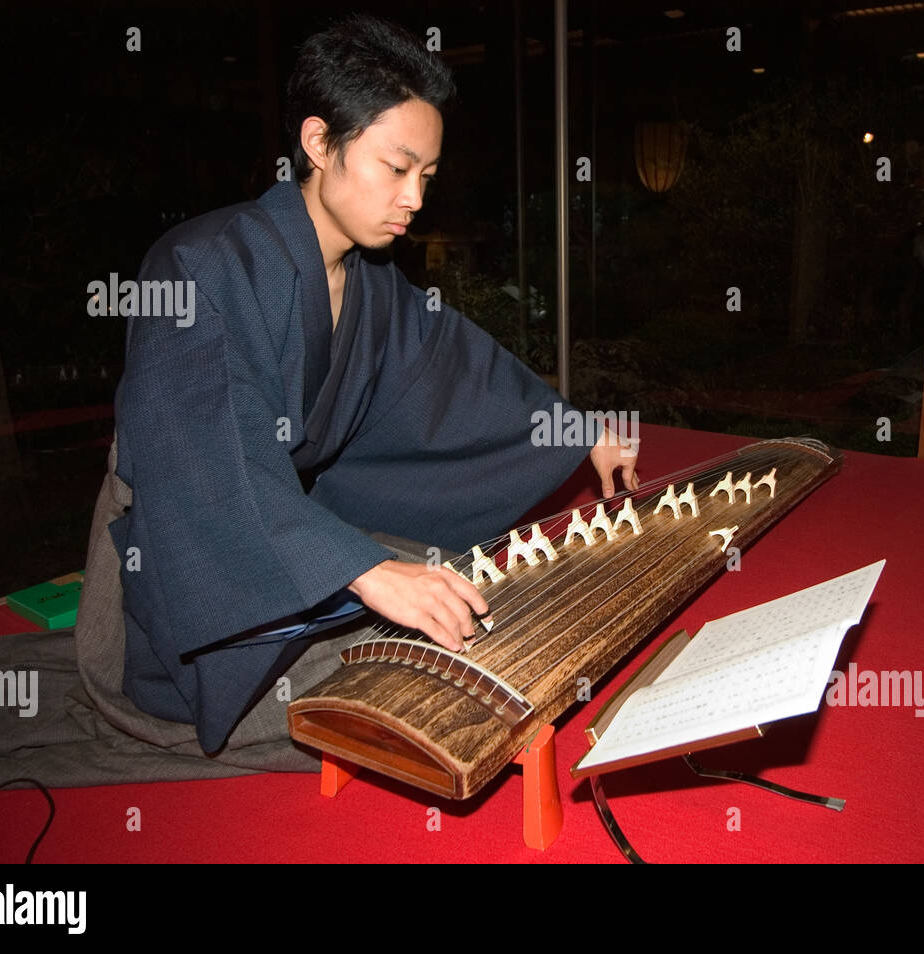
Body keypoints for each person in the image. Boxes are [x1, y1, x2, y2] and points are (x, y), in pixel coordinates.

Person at [71, 14, 638, 767]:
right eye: (395, 167)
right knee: (433, 679)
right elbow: (216, 460)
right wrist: (362, 569)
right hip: (189, 576)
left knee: (470, 606)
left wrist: (575, 430)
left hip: (288, 542)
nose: (414, 198)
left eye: (427, 178)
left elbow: (460, 372)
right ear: (317, 143)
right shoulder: (200, 269)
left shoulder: (373, 284)